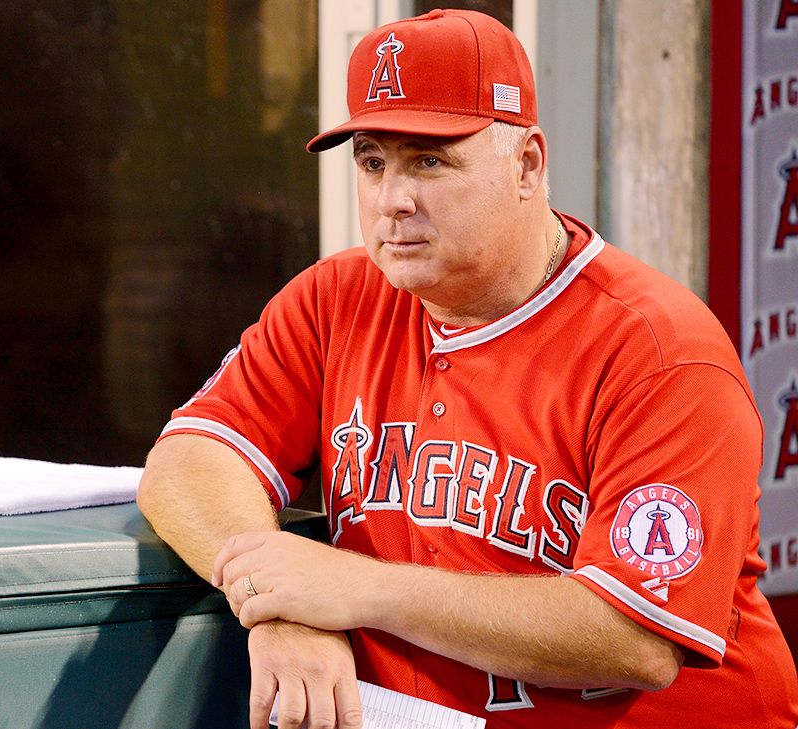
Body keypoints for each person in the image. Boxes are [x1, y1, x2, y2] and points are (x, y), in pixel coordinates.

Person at [136, 8, 798, 729]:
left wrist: (354, 589)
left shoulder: (658, 350)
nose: (394, 198)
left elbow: (634, 637)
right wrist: (283, 610)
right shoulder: (337, 299)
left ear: (527, 164)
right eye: (372, 161)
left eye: (430, 158)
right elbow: (189, 460)